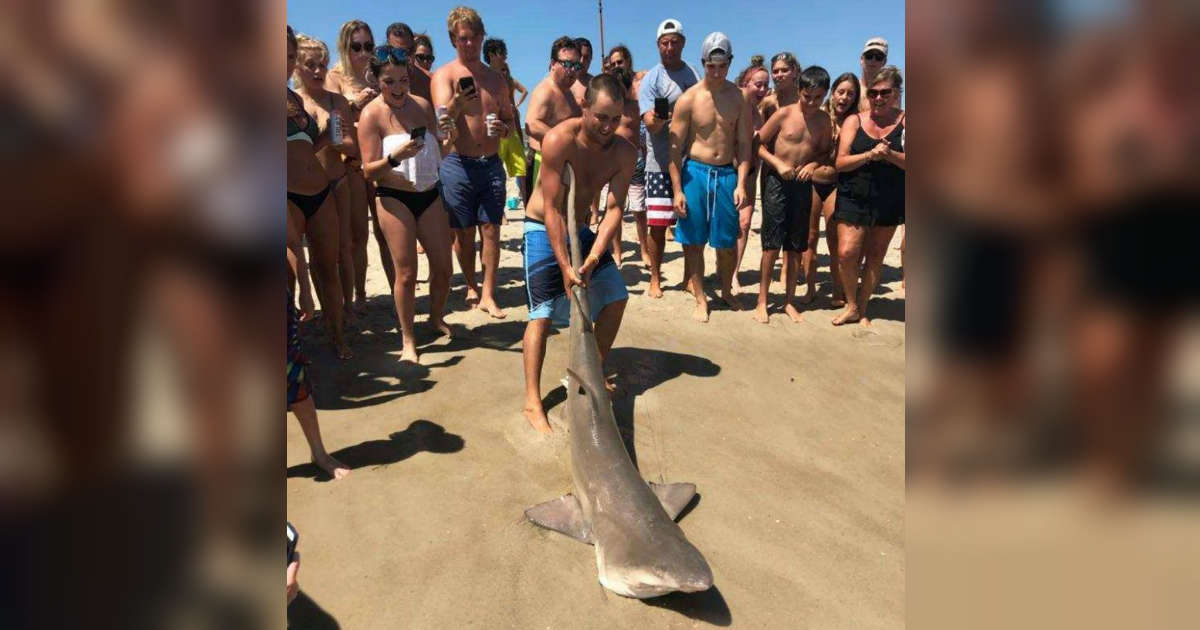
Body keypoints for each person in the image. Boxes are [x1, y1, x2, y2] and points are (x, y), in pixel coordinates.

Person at [520, 75, 636, 434]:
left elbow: (615, 209)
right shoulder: (559, 140)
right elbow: (553, 209)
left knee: (617, 297)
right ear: (584, 106)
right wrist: (565, 265)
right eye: (601, 116)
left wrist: (591, 259)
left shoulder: (624, 152)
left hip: (582, 231)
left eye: (615, 119)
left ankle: (590, 373)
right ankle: (532, 400)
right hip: (542, 226)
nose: (607, 126)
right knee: (540, 315)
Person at [358, 46, 457, 363]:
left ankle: (435, 317)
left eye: (403, 80)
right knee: (406, 274)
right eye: (390, 82)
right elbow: (366, 170)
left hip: (428, 191)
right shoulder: (371, 115)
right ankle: (408, 339)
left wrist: (450, 138)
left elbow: (439, 151)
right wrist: (394, 157)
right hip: (393, 195)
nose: (398, 89)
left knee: (443, 267)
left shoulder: (423, 106)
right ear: (376, 80)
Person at [431, 6, 516, 318]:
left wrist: (504, 128)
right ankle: (470, 284)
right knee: (464, 233)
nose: (469, 44)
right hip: (457, 163)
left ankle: (489, 294)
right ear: (453, 39)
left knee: (491, 230)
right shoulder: (444, 75)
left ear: (482, 37)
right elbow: (442, 123)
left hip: (491, 161)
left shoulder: (496, 80)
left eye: (474, 37)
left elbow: (508, 118)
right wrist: (456, 103)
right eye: (462, 39)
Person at [668, 32, 753, 322]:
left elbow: (743, 144)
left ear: (729, 62)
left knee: (727, 243)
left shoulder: (739, 97)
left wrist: (741, 182)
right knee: (693, 242)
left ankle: (727, 289)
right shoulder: (689, 99)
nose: (717, 72)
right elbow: (675, 149)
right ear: (703, 62)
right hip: (696, 173)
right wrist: (677, 190)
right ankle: (701, 297)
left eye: (722, 66)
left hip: (727, 175)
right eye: (711, 66)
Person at [752, 66, 835, 324]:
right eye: (806, 96)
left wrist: (813, 165)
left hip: (802, 184)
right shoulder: (783, 114)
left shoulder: (824, 121)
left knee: (795, 245)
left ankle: (788, 301)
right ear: (799, 91)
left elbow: (825, 152)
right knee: (771, 243)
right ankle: (762, 300)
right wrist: (777, 164)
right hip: (777, 181)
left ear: (824, 95)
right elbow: (758, 144)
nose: (811, 102)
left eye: (817, 97)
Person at [288, 27, 351, 359]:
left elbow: (310, 147)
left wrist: (329, 135)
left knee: (330, 267)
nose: (316, 71)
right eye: (305, 63)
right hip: (287, 195)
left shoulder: (295, 102)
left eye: (321, 64)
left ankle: (338, 336)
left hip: (321, 191)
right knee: (289, 275)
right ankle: (292, 346)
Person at [832, 65, 904, 325]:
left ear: (896, 93)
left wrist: (891, 155)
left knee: (875, 256)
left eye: (885, 93)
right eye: (873, 93)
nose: (878, 98)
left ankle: (862, 308)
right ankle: (851, 303)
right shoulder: (855, 120)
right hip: (854, 193)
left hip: (891, 196)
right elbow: (840, 162)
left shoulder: (907, 120)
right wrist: (869, 155)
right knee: (847, 253)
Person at [638, 18, 700, 298]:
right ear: (658, 45)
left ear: (683, 44)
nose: (670, 47)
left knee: (689, 222)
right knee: (658, 225)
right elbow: (650, 124)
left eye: (675, 42)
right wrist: (669, 119)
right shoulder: (652, 79)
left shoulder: (693, 76)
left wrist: (678, 119)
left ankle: (689, 276)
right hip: (659, 162)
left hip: (690, 161)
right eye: (665, 42)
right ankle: (655, 278)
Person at [326, 20, 383, 310]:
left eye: (368, 46)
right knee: (357, 236)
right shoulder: (334, 78)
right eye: (356, 46)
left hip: (382, 163)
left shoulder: (378, 77)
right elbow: (330, 121)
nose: (363, 53)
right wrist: (356, 105)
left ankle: (400, 293)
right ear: (345, 47)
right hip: (353, 165)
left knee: (386, 234)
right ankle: (359, 295)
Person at [809, 72, 860, 306]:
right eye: (841, 91)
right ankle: (810, 288)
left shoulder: (856, 121)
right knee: (809, 238)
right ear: (833, 92)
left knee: (833, 238)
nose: (845, 97)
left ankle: (838, 289)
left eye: (850, 93)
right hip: (813, 180)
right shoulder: (819, 117)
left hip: (837, 183)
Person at [523, 37, 583, 203]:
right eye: (567, 64)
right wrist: (562, 140)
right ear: (553, 64)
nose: (572, 70)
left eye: (576, 66)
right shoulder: (546, 90)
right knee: (542, 219)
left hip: (563, 164)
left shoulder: (568, 93)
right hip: (542, 162)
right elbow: (531, 124)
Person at [607, 46, 651, 265]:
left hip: (635, 159)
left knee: (639, 210)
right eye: (613, 64)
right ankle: (617, 252)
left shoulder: (639, 88)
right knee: (614, 208)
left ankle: (644, 250)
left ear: (628, 62)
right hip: (611, 159)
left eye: (620, 62)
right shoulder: (608, 93)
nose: (617, 67)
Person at [731, 58, 769, 295]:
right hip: (729, 173)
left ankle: (734, 273)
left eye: (766, 85)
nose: (762, 90)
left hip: (751, 176)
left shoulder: (761, 114)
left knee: (744, 224)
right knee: (724, 225)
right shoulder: (731, 106)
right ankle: (720, 269)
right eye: (758, 84)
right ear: (745, 84)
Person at [483, 37, 528, 210]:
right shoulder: (483, 77)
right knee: (496, 173)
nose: (505, 57)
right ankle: (499, 212)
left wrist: (515, 107)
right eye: (503, 53)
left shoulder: (506, 79)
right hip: (494, 130)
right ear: (492, 55)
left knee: (521, 170)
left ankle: (528, 209)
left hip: (511, 130)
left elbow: (524, 91)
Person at [386, 22, 433, 102]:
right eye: (399, 52)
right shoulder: (380, 82)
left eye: (409, 51)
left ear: (415, 49)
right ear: (388, 51)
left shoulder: (430, 82)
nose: (406, 57)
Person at [759, 51, 800, 122]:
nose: (779, 75)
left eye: (784, 70)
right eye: (775, 72)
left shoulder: (807, 101)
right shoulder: (767, 103)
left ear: (795, 72)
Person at [858, 37, 888, 113]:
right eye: (869, 56)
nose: (873, 60)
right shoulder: (850, 88)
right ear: (861, 59)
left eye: (879, 57)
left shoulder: (890, 92)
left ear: (884, 62)